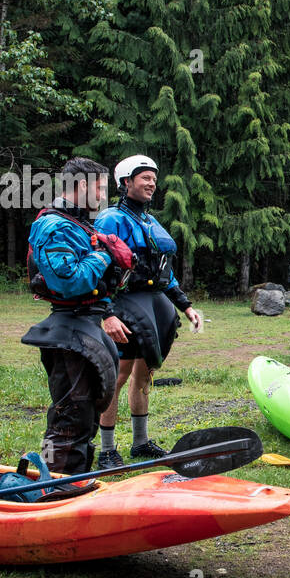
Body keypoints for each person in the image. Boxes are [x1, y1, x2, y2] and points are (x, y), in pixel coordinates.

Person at [21, 157, 133, 474]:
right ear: (82, 185)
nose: (103, 196)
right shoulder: (53, 226)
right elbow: (69, 282)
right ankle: (56, 487)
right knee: (70, 415)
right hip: (67, 330)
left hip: (86, 324)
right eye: (100, 187)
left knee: (86, 414)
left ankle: (78, 480)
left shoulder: (80, 225)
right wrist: (102, 254)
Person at [93, 155, 203, 467]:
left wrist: (186, 305)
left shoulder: (151, 223)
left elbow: (165, 273)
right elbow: (97, 270)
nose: (152, 183)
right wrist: (106, 313)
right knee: (118, 375)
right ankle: (107, 449)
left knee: (144, 374)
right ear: (126, 182)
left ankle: (140, 443)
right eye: (144, 177)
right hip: (125, 306)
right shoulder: (110, 220)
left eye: (154, 178)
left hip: (154, 307)